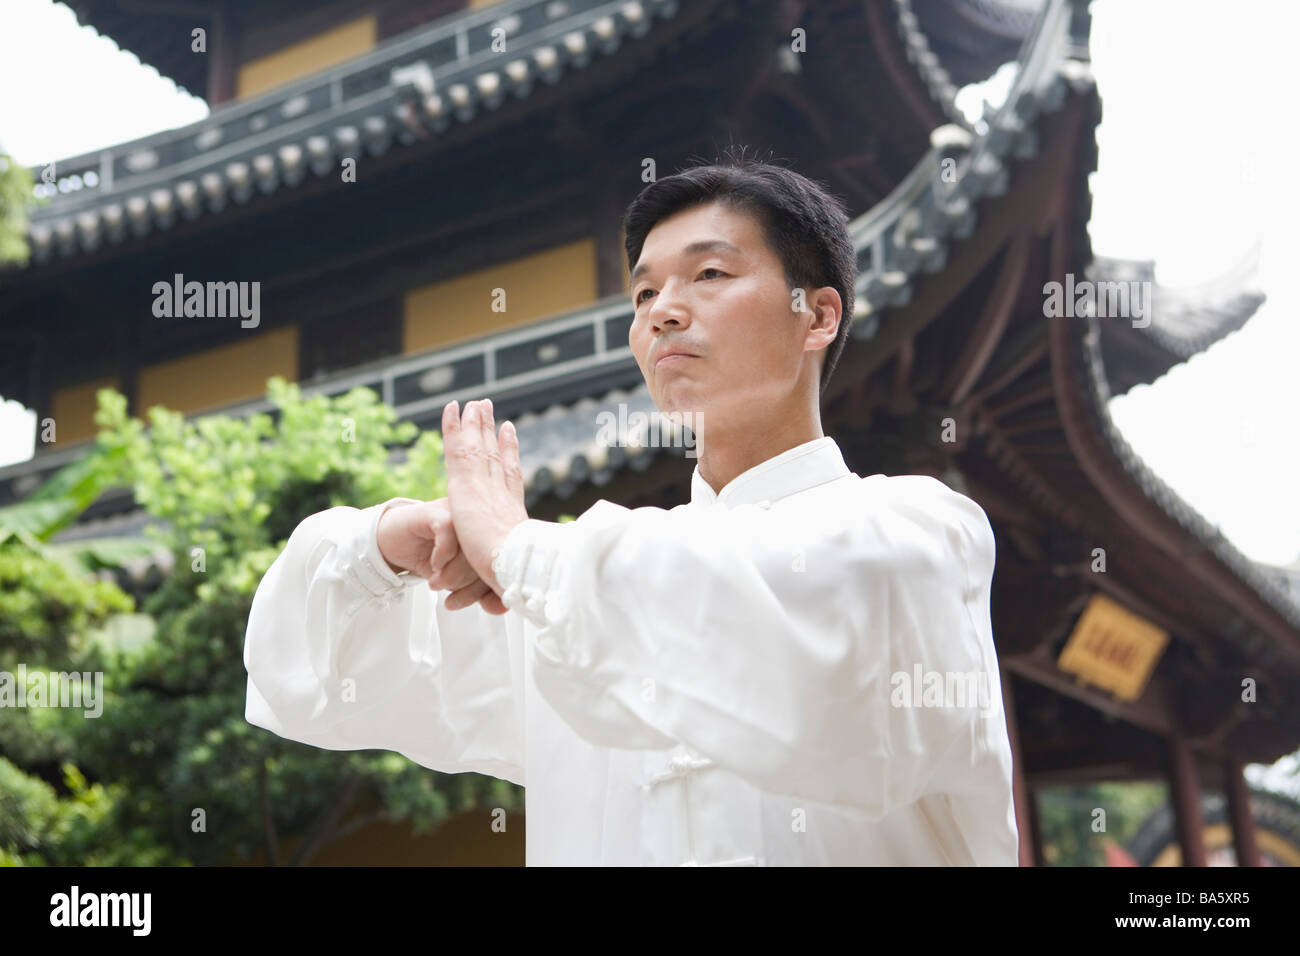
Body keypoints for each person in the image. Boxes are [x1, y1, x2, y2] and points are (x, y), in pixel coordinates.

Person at [243, 152, 1020, 865]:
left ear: (817, 315)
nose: (662, 312)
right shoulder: (573, 603)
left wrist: (514, 548)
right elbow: (312, 678)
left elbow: (784, 617)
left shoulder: (923, 531)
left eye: (709, 274)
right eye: (646, 291)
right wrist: (392, 547)